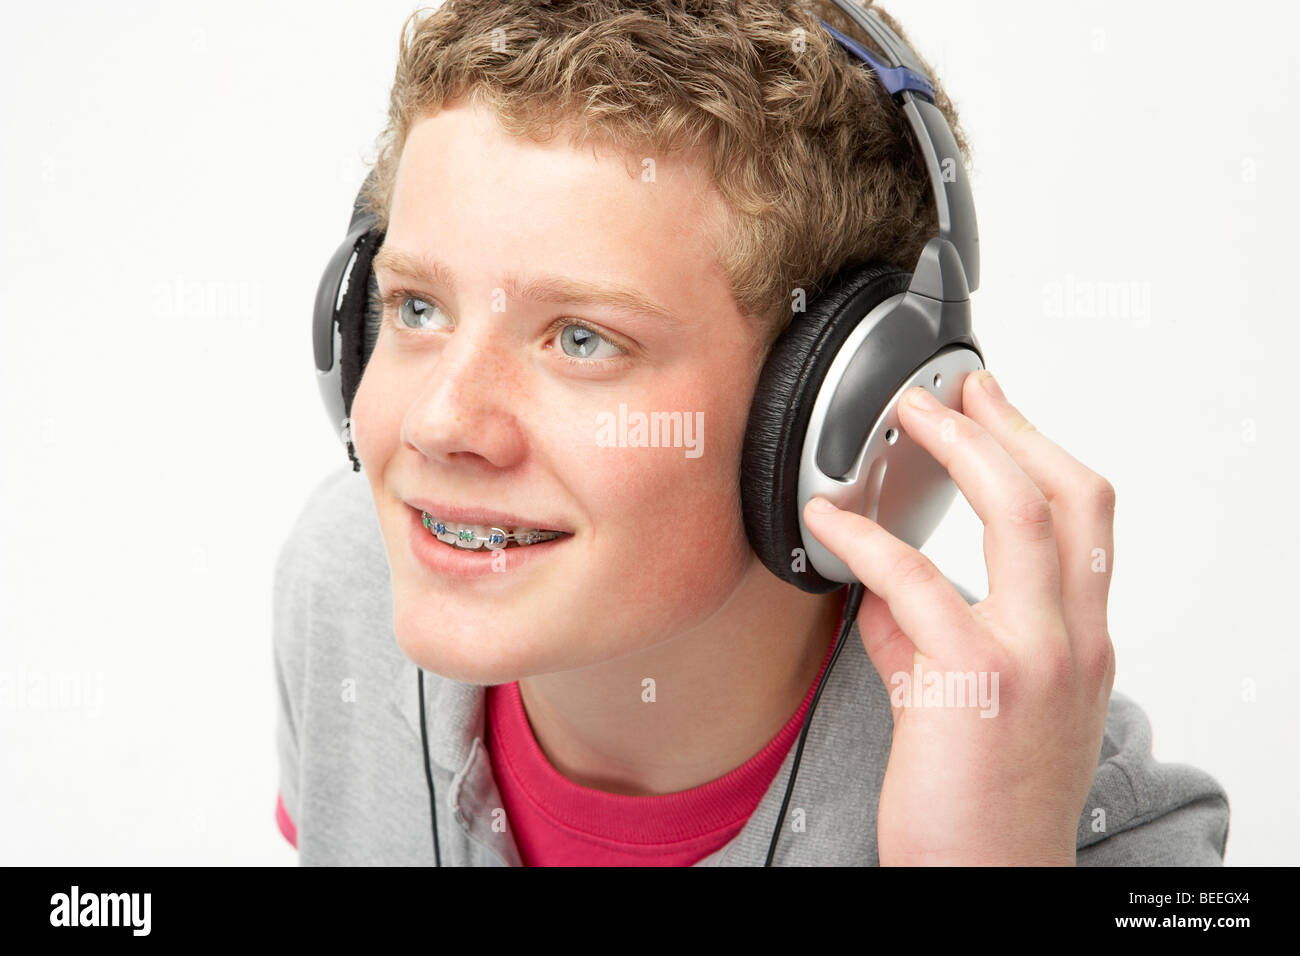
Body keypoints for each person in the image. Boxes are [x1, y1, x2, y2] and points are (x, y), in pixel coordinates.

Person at [273, 0, 1230, 865]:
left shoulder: (1073, 812)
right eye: (415, 309)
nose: (441, 425)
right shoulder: (349, 578)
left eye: (581, 339)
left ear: (838, 408)